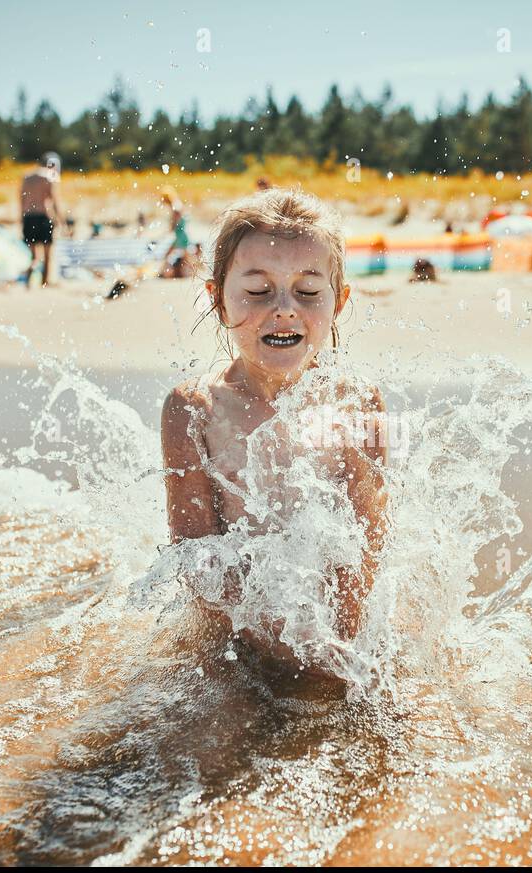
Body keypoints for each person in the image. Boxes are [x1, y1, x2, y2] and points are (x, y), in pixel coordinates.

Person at [160, 188, 388, 686]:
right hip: (231, 643)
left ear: (339, 302)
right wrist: (273, 646)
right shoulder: (195, 409)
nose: (284, 309)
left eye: (308, 292)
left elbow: (369, 543)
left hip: (333, 632)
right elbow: (195, 557)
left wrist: (339, 643)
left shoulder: (358, 403)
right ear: (217, 300)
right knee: (206, 741)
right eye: (258, 292)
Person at [20, 151, 64, 287]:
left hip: (28, 217)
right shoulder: (50, 175)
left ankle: (28, 280)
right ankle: (44, 283)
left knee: (33, 256)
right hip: (43, 216)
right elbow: (54, 199)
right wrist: (61, 220)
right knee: (47, 255)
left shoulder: (27, 177)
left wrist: (21, 218)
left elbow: (21, 199)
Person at [158, 190, 191, 278]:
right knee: (186, 256)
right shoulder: (178, 204)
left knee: (170, 254)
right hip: (182, 234)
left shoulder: (175, 207)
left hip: (180, 235)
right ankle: (190, 272)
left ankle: (163, 271)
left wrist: (165, 233)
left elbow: (174, 224)